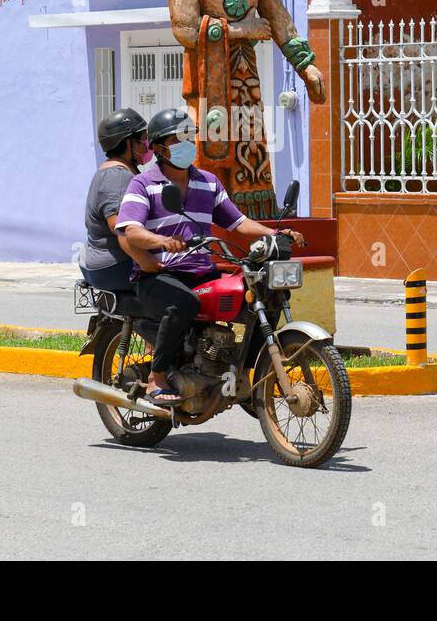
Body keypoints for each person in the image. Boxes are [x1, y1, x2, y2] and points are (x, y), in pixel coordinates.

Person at [113, 108, 305, 405]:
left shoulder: (208, 182)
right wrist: (162, 240)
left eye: (189, 136)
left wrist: (274, 233)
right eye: (179, 138)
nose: (186, 143)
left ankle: (247, 374)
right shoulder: (144, 184)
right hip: (159, 274)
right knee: (184, 302)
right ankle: (157, 377)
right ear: (160, 147)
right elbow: (132, 231)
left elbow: (237, 222)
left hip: (202, 271)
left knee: (261, 293)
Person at [78, 108, 155, 292]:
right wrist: (147, 263)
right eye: (142, 140)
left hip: (102, 264)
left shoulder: (112, 170)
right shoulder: (118, 177)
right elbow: (120, 228)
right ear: (128, 143)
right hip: (113, 267)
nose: (147, 145)